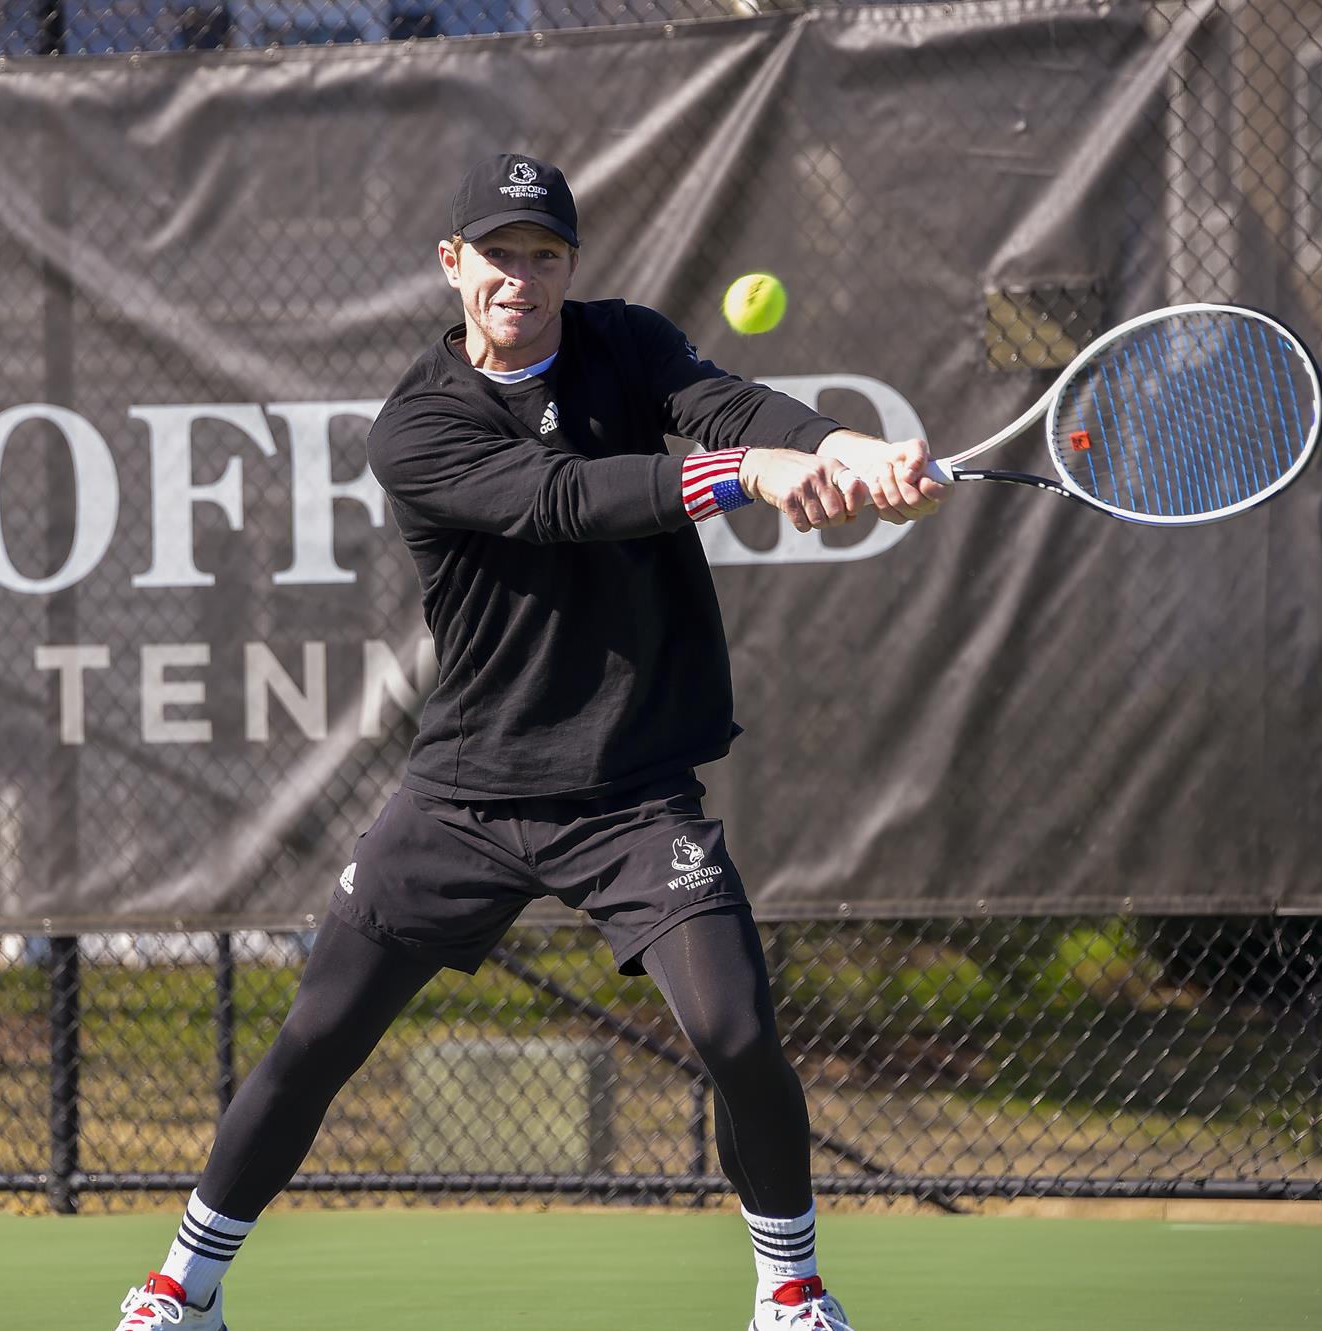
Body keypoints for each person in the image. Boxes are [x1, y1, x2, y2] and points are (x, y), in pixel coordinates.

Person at [111, 151, 944, 1331]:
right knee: (316, 1034)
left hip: (632, 791)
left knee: (737, 1031)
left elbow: (738, 408)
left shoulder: (628, 344)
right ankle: (178, 1289)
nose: (522, 276)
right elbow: (563, 501)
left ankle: (790, 1289)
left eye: (544, 254)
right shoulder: (417, 429)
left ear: (569, 266)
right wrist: (750, 474)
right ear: (451, 265)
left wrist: (849, 452)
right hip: (465, 793)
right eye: (498, 253)